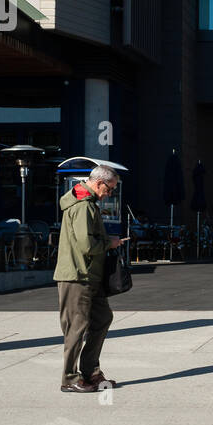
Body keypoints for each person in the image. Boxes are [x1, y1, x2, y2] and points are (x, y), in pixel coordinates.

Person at [54, 165, 124, 393]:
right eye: (110, 189)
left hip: (87, 275)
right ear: (98, 183)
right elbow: (86, 245)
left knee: (103, 318)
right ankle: (70, 378)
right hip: (77, 275)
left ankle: (90, 371)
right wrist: (109, 243)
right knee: (77, 326)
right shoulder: (83, 206)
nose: (110, 194)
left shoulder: (87, 204)